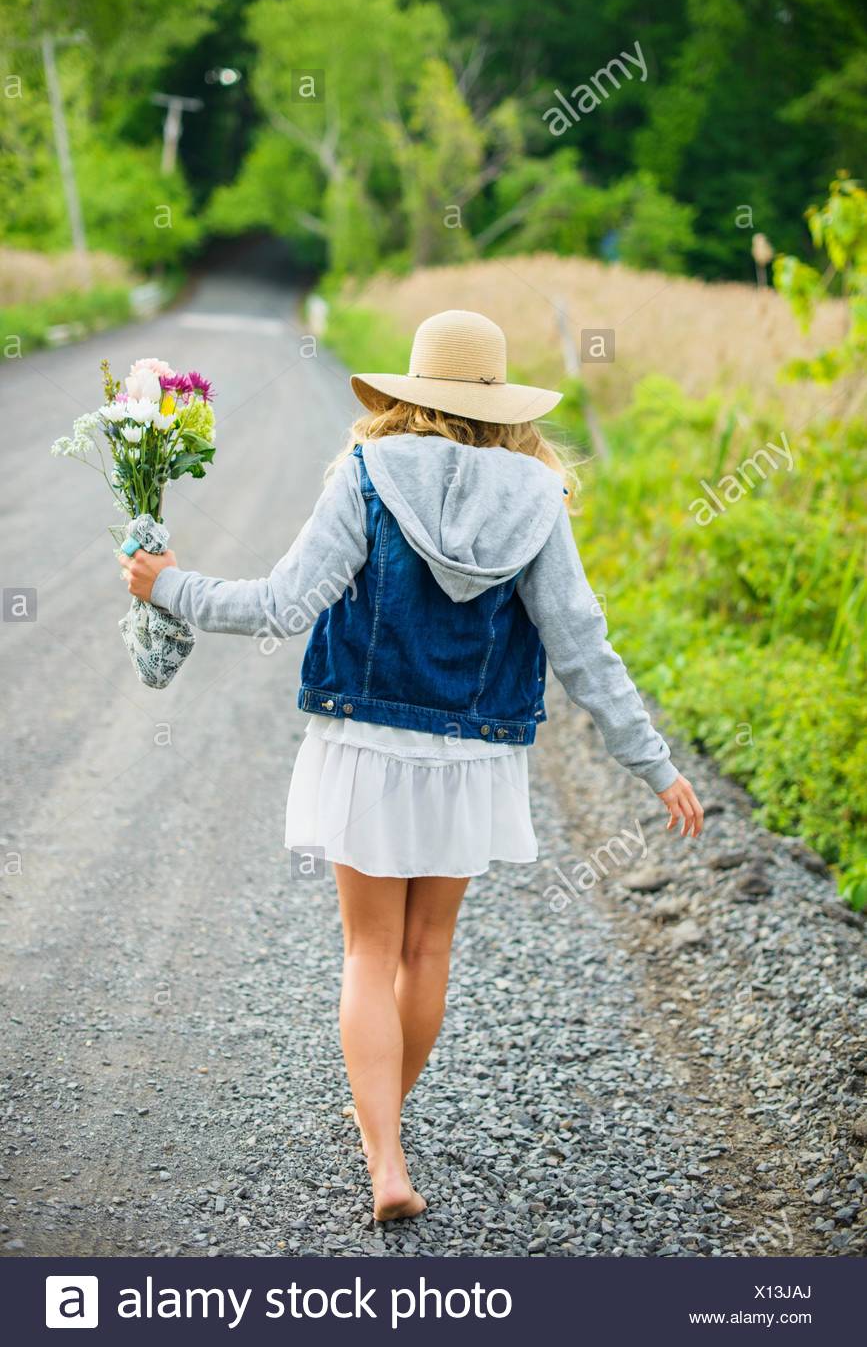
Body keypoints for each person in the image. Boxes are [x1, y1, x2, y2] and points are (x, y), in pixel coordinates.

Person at [120, 309, 703, 1223]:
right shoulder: (537, 498)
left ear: (410, 393)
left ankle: (383, 1155)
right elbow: (582, 647)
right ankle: (387, 1128)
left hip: (366, 743)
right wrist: (653, 763)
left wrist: (170, 588)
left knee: (366, 949)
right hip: (472, 759)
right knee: (426, 950)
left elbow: (281, 607)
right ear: (504, 406)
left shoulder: (367, 471)